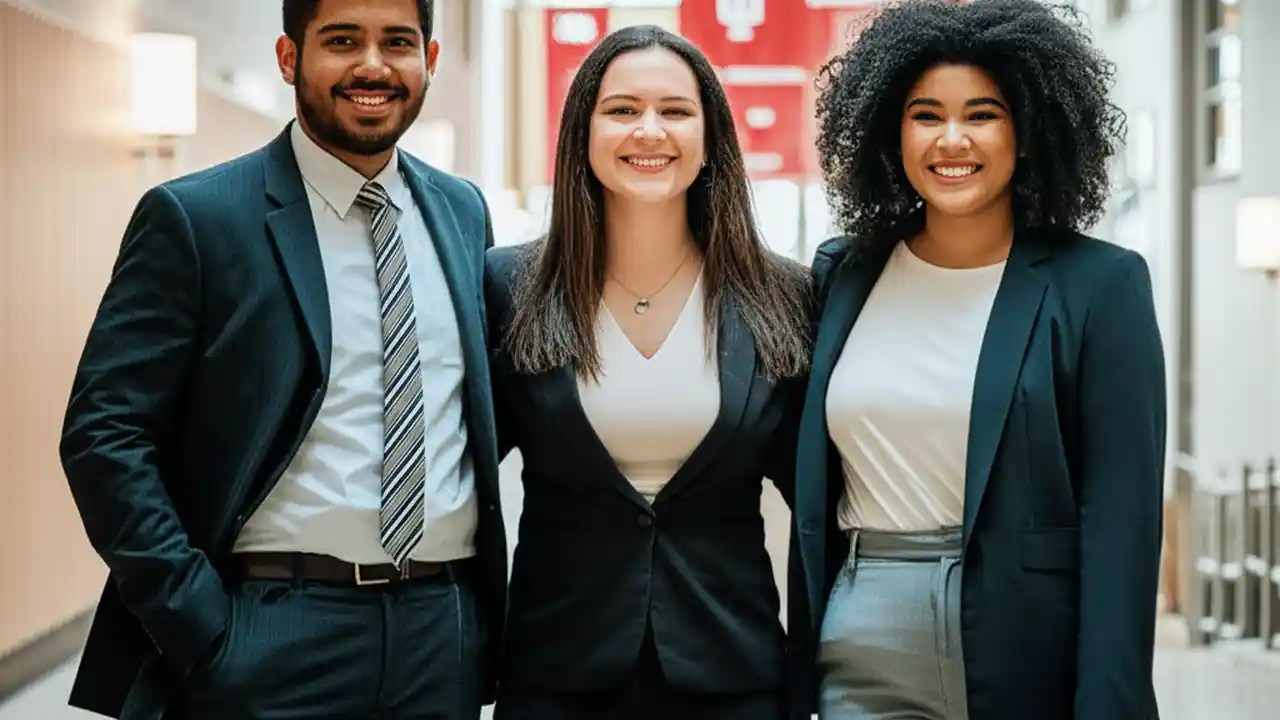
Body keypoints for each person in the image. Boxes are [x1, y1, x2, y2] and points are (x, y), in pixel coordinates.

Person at [58, 1, 505, 717]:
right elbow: (103, 436)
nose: (372, 64)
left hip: (438, 631)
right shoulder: (197, 218)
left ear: (431, 61)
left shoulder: (463, 212)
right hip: (270, 631)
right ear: (289, 57)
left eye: (397, 42)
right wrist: (201, 626)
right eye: (341, 40)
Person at [789, 1, 1166, 719]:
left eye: (983, 114)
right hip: (863, 635)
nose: (951, 139)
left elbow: (1121, 523)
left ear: (1027, 132)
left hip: (1028, 649)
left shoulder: (1100, 286)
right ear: (889, 131)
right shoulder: (844, 274)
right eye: (926, 114)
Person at [484, 24, 810, 720]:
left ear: (710, 135)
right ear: (584, 130)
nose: (649, 131)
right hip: (556, 672)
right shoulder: (511, 287)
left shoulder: (784, 296)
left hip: (733, 670)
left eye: (676, 111)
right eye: (623, 109)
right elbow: (463, 473)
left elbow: (822, 500)